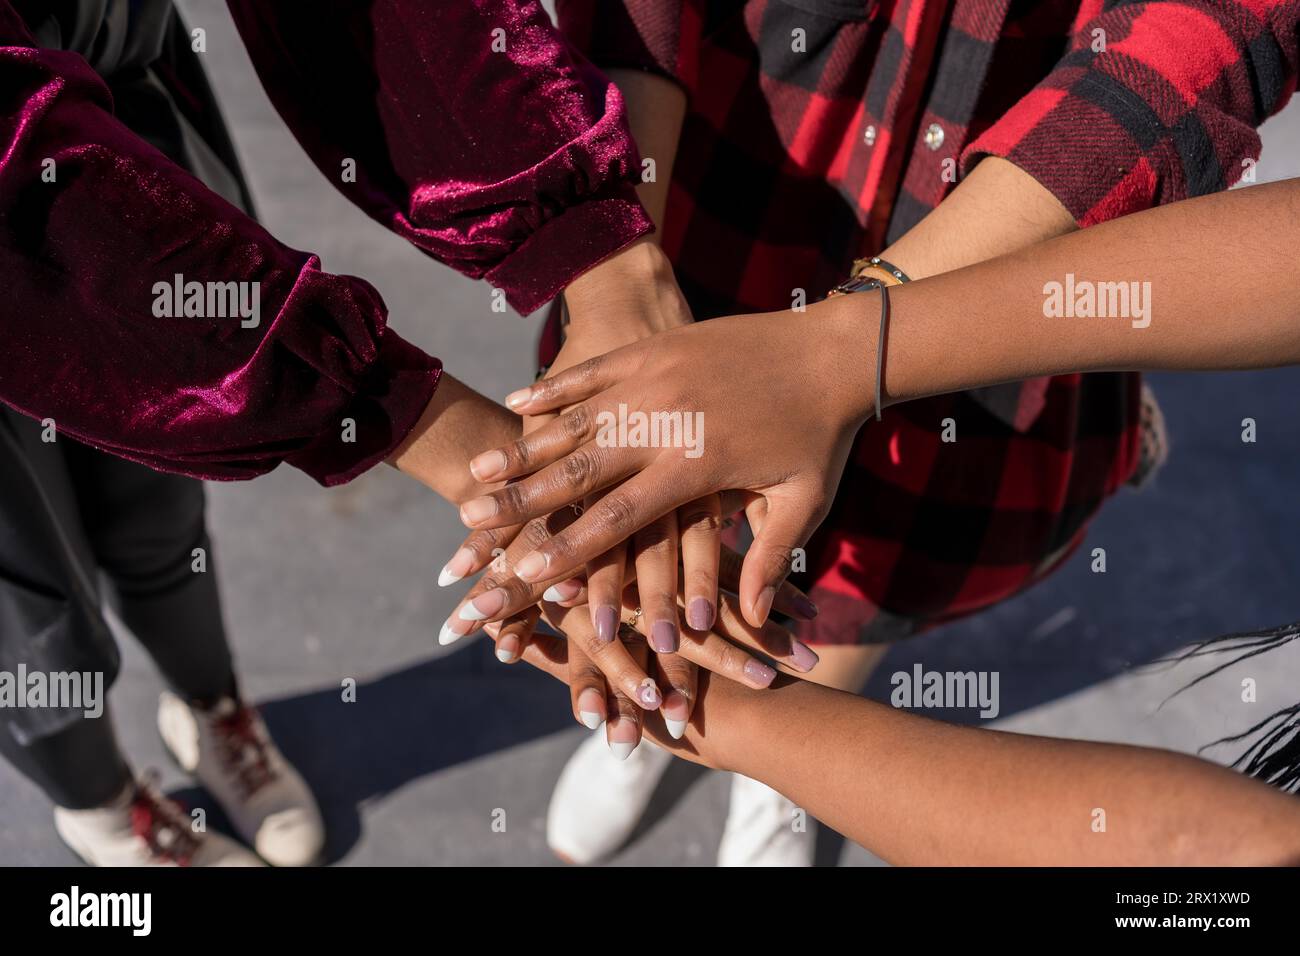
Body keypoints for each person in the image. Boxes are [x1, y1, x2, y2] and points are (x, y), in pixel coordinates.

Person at [444, 0, 1300, 865]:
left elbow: (1208, 34)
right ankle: (670, 685)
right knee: (655, 496)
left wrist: (835, 356)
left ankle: (757, 736)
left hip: (1022, 235)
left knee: (882, 551)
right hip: (720, 172)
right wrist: (619, 264)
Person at [2, 0, 764, 864]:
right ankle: (103, 809)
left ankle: (213, 710)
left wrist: (604, 257)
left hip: (110, 93)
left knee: (160, 511)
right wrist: (450, 441)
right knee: (25, 606)